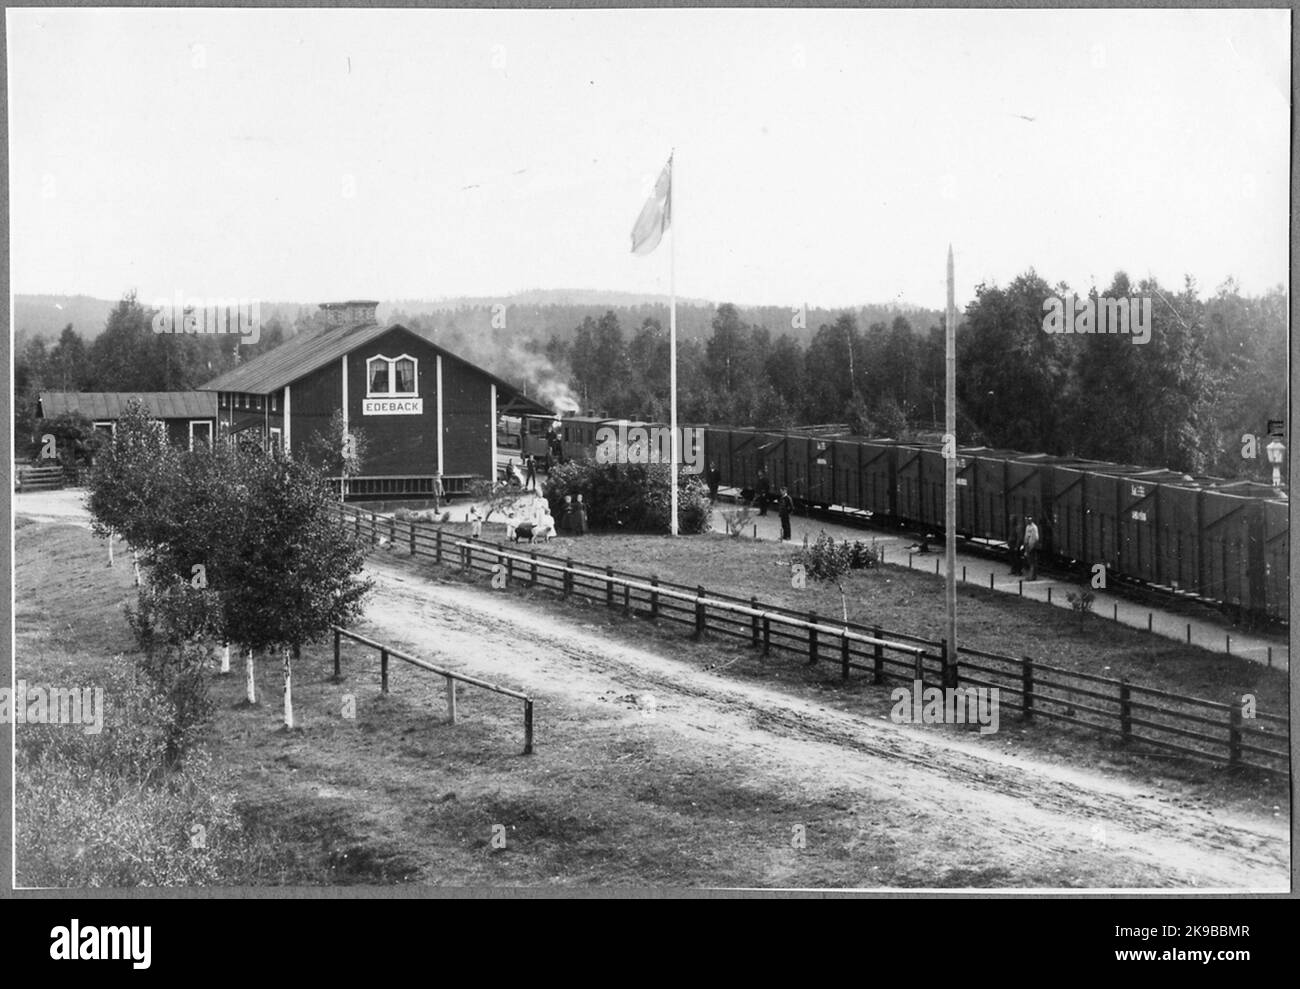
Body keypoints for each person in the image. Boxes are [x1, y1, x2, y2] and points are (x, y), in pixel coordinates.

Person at [1022, 515, 1041, 580]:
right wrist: (1025, 545)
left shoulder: (1034, 527)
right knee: (1029, 562)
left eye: (1027, 520)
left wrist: (1031, 546)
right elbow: (1026, 536)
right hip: (1027, 546)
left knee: (1032, 562)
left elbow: (1035, 538)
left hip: (1032, 547)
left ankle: (1032, 576)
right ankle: (1030, 576)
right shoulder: (1027, 527)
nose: (1026, 521)